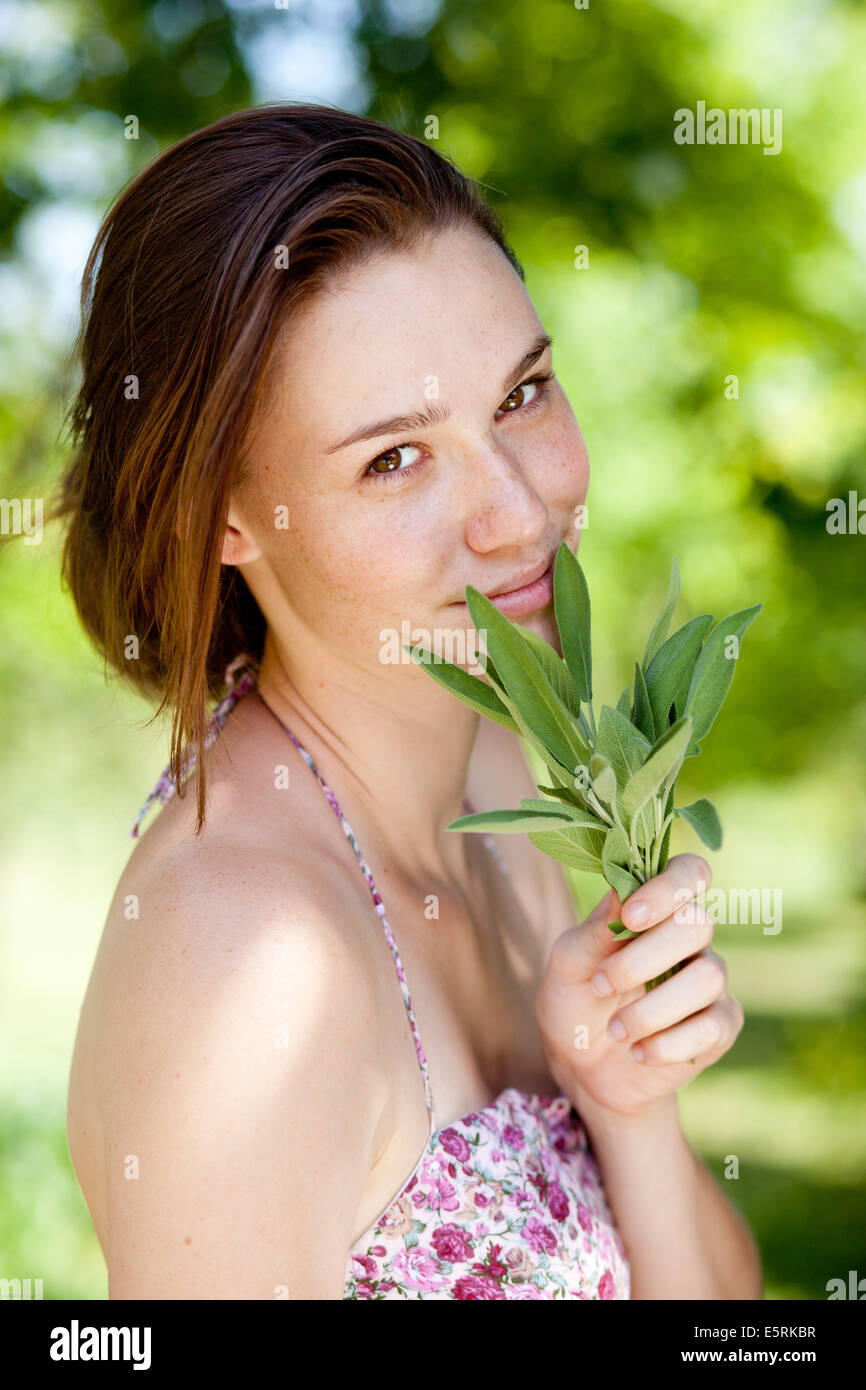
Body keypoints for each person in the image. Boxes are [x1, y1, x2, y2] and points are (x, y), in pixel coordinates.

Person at [57, 102, 762, 1299]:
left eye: (522, 394)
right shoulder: (240, 959)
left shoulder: (498, 773)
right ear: (219, 517)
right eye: (393, 459)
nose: (520, 514)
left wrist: (624, 1101)